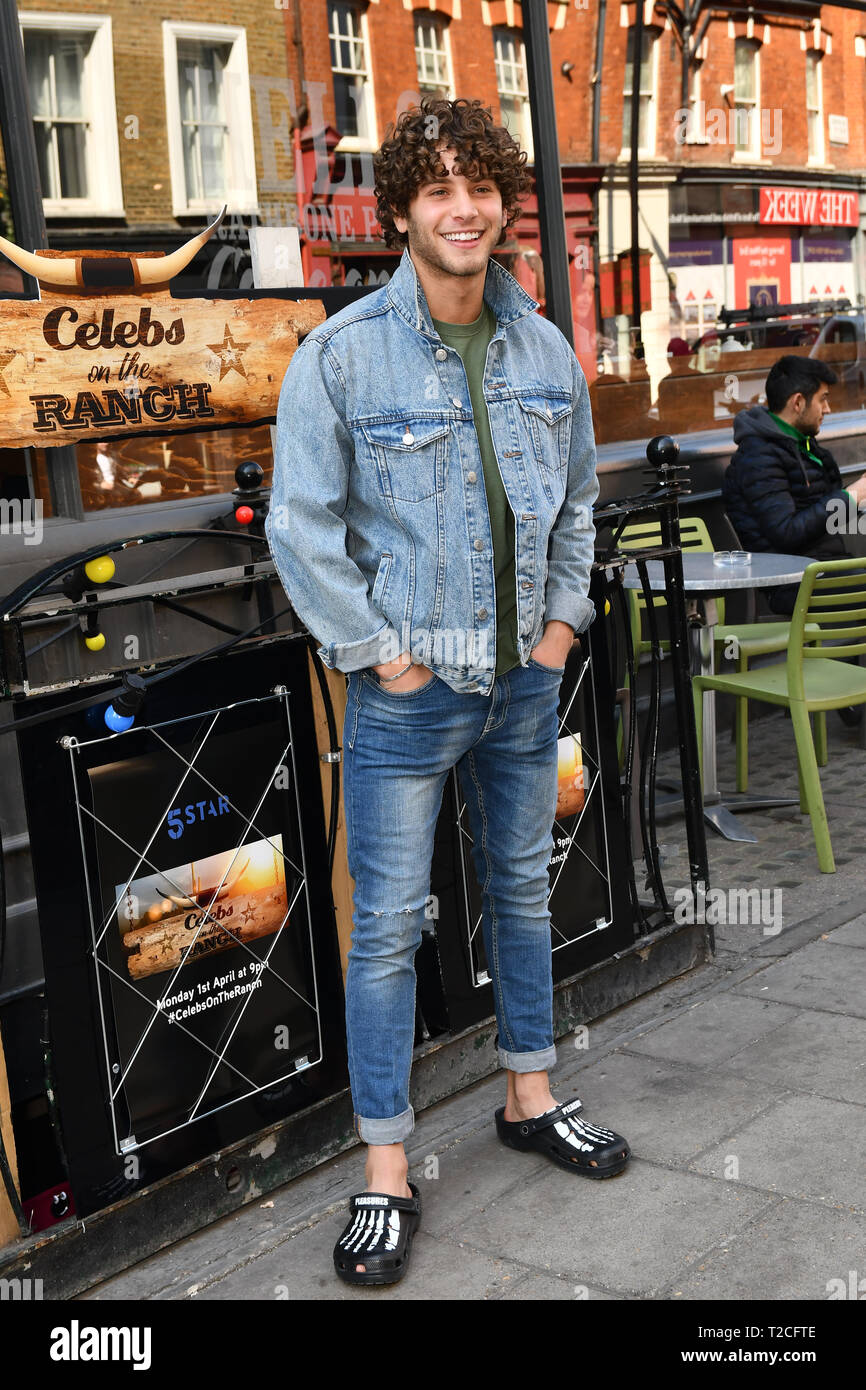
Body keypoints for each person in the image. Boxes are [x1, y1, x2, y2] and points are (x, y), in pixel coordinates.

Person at [266, 96, 630, 1289]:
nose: (461, 207)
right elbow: (301, 529)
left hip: (524, 684)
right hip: (406, 695)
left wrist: (563, 626)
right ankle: (384, 1171)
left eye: (480, 185)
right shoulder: (340, 353)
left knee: (523, 895)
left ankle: (528, 1096)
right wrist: (384, 655)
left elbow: (576, 505)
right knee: (384, 933)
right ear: (404, 212)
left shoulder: (542, 350)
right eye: (436, 188)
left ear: (504, 203)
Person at [723, 354, 866, 616]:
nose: (828, 409)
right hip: (792, 584)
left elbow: (825, 511)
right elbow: (787, 532)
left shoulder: (801, 444)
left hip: (825, 569)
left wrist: (860, 500)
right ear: (798, 402)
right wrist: (852, 495)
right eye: (823, 399)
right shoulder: (758, 457)